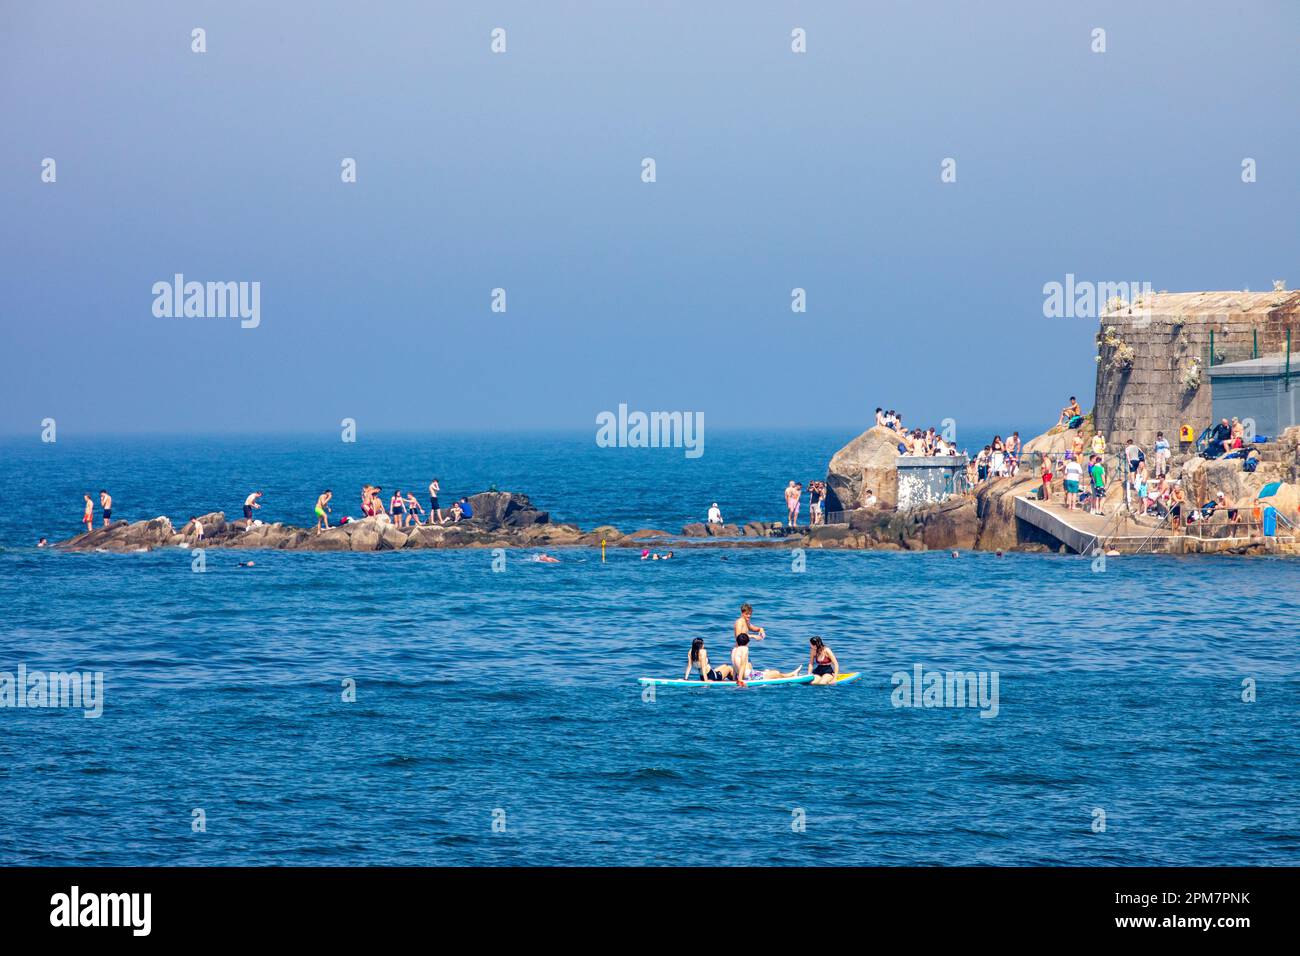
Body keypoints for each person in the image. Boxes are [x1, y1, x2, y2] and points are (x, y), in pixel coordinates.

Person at [730, 633, 801, 688]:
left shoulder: (734, 650)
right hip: (749, 676)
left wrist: (734, 679)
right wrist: (740, 680)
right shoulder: (745, 649)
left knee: (769, 672)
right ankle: (792, 675)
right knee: (776, 673)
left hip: (743, 675)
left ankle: (790, 674)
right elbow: (742, 664)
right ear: (747, 642)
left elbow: (734, 665)